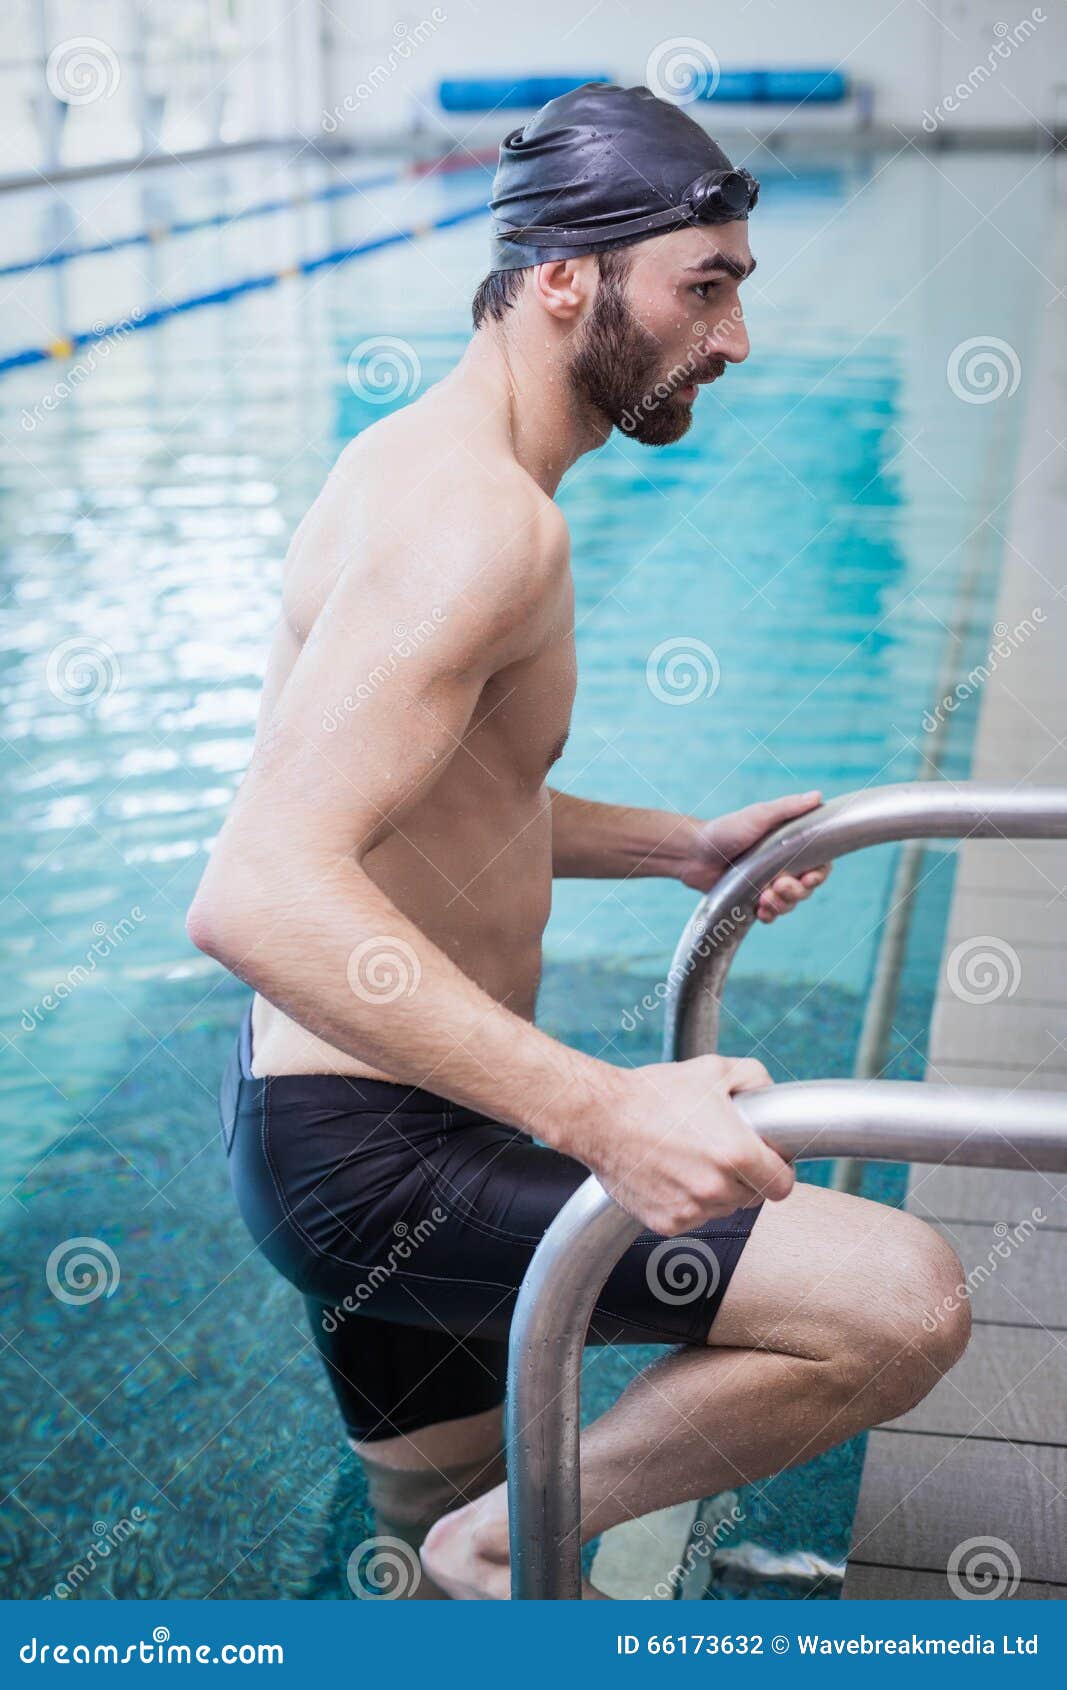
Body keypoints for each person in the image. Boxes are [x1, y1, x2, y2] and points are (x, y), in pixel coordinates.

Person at [188, 84, 970, 1600]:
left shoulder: (412, 461)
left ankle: (483, 1541)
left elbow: (415, 798)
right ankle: (528, 1518)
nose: (734, 337)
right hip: (384, 1146)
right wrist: (602, 1110)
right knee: (903, 1299)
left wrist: (681, 843)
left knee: (438, 1562)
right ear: (565, 277)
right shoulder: (483, 525)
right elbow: (256, 885)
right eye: (708, 285)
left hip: (334, 1120)